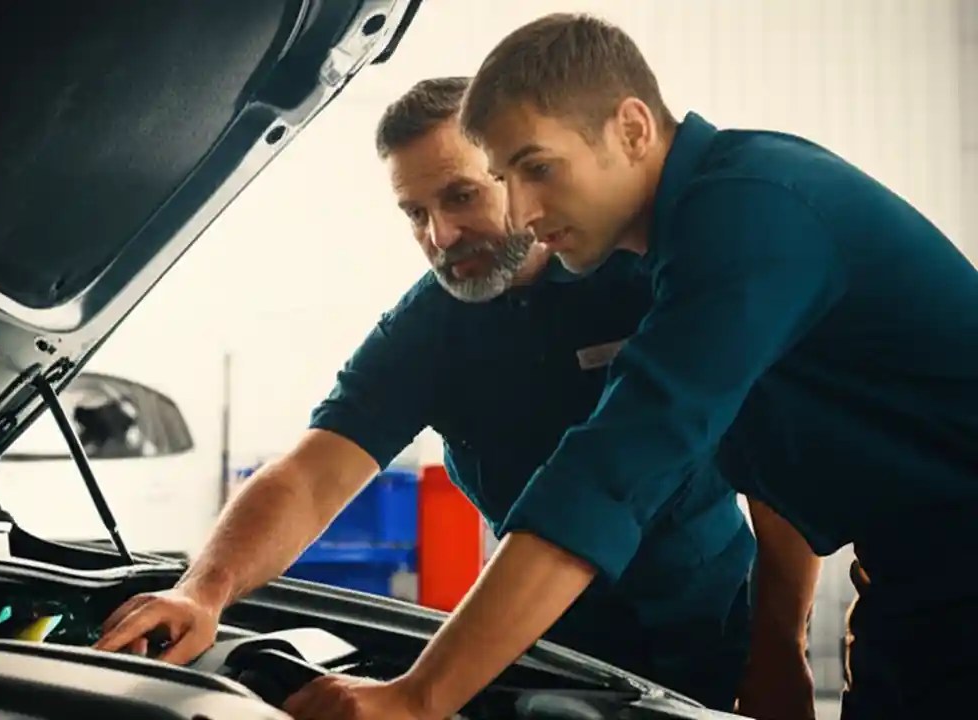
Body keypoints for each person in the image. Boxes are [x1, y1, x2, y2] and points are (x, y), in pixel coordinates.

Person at [282, 12, 978, 720]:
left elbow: (611, 470)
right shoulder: (688, 237)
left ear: (633, 129)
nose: (521, 212)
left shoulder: (749, 219)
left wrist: (418, 697)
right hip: (911, 574)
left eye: (538, 169)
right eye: (502, 179)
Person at [93, 77, 764, 713]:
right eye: (415, 212)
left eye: (461, 197)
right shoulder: (429, 329)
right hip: (534, 645)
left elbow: (773, 462)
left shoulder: (645, 276)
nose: (438, 237)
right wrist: (204, 591)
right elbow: (311, 475)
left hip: (712, 629)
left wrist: (780, 646)